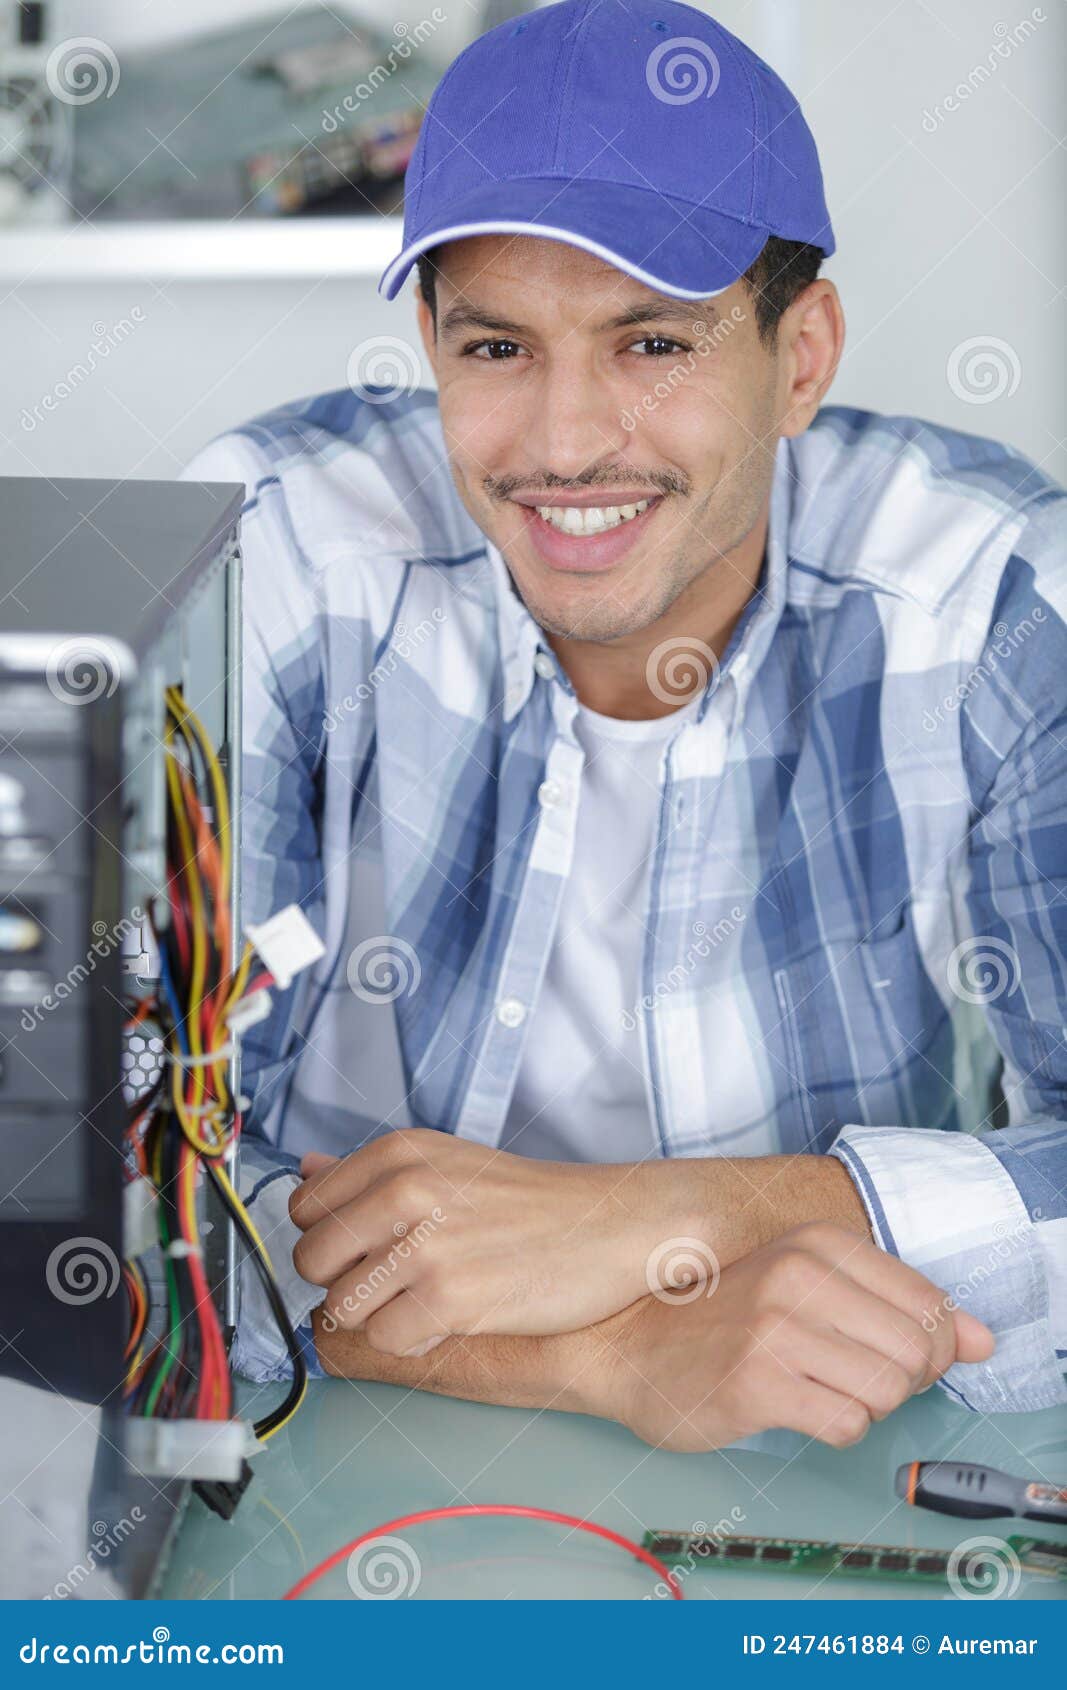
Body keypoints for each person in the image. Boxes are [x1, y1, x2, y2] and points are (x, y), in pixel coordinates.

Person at [182, 0, 1066, 1452]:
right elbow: (134, 1197)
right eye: (496, 348)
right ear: (428, 344)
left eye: (653, 342)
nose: (566, 441)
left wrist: (666, 1218)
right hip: (356, 1442)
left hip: (837, 1445)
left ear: (801, 357)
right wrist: (623, 1348)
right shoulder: (283, 543)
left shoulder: (994, 588)